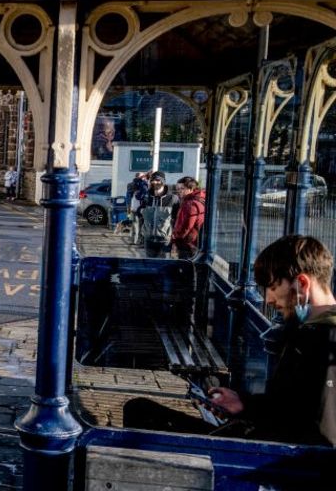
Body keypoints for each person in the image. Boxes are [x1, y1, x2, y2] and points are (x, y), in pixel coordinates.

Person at [124, 235, 336, 446]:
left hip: (256, 458)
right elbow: (288, 408)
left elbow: (321, 437)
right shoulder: (312, 332)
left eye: (272, 287)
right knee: (139, 410)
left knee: (141, 414)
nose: (269, 299)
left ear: (301, 283)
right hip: (255, 443)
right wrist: (242, 404)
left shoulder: (326, 341)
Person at [138, 171, 180, 258]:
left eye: (158, 180)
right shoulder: (147, 197)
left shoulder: (172, 199)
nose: (155, 182)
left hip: (165, 240)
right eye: (152, 180)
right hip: (148, 239)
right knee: (150, 265)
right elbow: (140, 213)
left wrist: (175, 239)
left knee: (163, 266)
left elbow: (177, 219)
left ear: (163, 181)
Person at [171, 176, 205, 259]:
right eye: (177, 189)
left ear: (191, 189)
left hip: (187, 244)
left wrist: (175, 240)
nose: (178, 191)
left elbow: (185, 226)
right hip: (196, 241)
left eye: (182, 188)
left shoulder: (190, 203)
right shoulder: (199, 200)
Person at [126, 172, 149, 244]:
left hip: (138, 207)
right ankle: (136, 240)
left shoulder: (144, 184)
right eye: (142, 177)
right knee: (137, 225)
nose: (143, 178)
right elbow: (130, 196)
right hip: (136, 207)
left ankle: (136, 240)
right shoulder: (140, 184)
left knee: (138, 225)